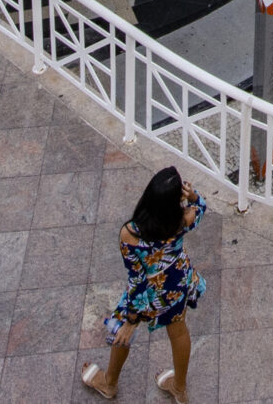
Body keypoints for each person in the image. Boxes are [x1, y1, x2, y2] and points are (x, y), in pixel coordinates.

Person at [84, 167, 205, 401]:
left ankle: (109, 383)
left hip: (148, 289)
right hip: (177, 282)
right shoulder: (182, 220)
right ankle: (179, 389)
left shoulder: (130, 234)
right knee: (178, 331)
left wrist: (131, 320)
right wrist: (192, 195)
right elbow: (201, 206)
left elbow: (137, 279)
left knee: (122, 330)